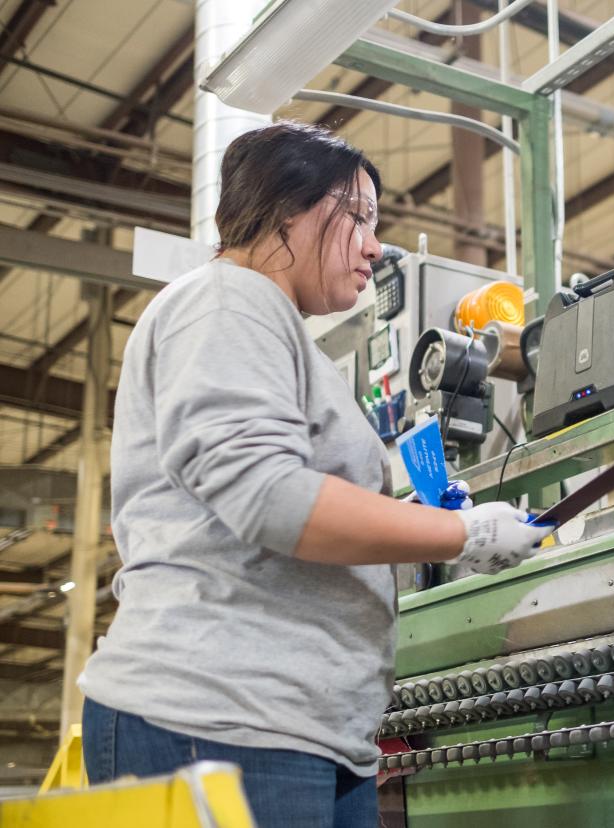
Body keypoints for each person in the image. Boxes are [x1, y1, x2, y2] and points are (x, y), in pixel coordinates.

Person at [77, 121, 550, 826]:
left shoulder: (272, 328)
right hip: (218, 717)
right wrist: (458, 532)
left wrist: (437, 523)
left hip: (293, 725)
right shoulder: (227, 301)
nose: (375, 244)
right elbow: (272, 497)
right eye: (356, 215)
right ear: (285, 208)